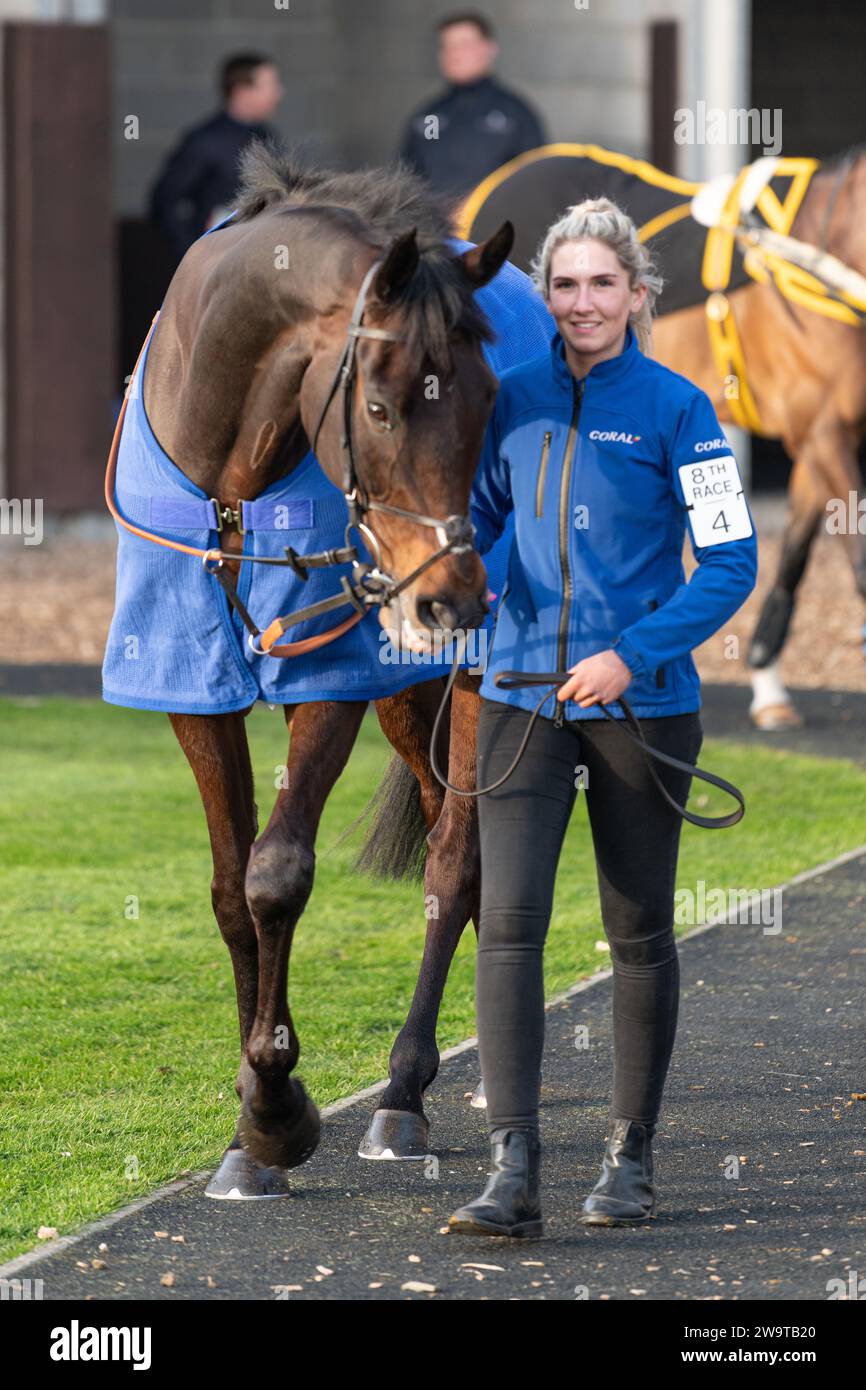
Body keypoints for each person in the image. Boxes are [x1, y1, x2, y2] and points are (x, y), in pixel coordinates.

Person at [448, 197, 759, 1236]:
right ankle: (511, 1167)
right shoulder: (509, 400)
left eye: (600, 283)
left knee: (635, 933)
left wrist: (631, 654)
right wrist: (471, 588)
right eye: (564, 285)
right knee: (507, 930)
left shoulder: (678, 410)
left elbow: (729, 562)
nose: (582, 302)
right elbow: (484, 531)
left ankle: (628, 1157)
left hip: (646, 710)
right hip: (518, 704)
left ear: (635, 293)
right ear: (546, 296)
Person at [397, 11, 546, 202]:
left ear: (489, 49)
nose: (454, 54)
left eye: (464, 45)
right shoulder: (429, 117)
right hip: (437, 227)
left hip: (494, 227)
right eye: (447, 46)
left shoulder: (516, 115)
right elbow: (406, 181)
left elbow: (536, 183)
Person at [150, 54, 283, 262]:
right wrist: (192, 251)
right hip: (218, 261)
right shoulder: (205, 141)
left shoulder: (268, 136)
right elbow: (164, 201)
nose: (278, 94)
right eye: (269, 85)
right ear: (242, 91)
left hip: (261, 257)